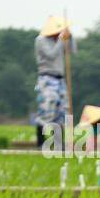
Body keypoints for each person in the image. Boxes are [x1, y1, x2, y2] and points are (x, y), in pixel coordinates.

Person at [32, 16, 75, 148]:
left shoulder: (60, 40)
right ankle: (41, 142)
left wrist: (70, 37)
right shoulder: (40, 40)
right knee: (47, 109)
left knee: (62, 111)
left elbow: (72, 50)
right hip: (47, 79)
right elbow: (51, 55)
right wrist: (61, 41)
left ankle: (57, 143)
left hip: (60, 79)